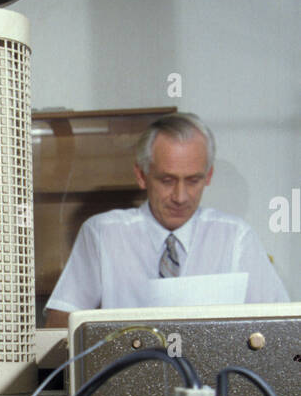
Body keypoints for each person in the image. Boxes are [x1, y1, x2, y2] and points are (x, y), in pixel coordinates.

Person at [44, 113, 289, 326]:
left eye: (193, 180)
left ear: (209, 175)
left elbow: (282, 329)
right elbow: (59, 328)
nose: (180, 197)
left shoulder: (236, 237)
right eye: (167, 180)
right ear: (141, 175)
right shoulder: (103, 234)